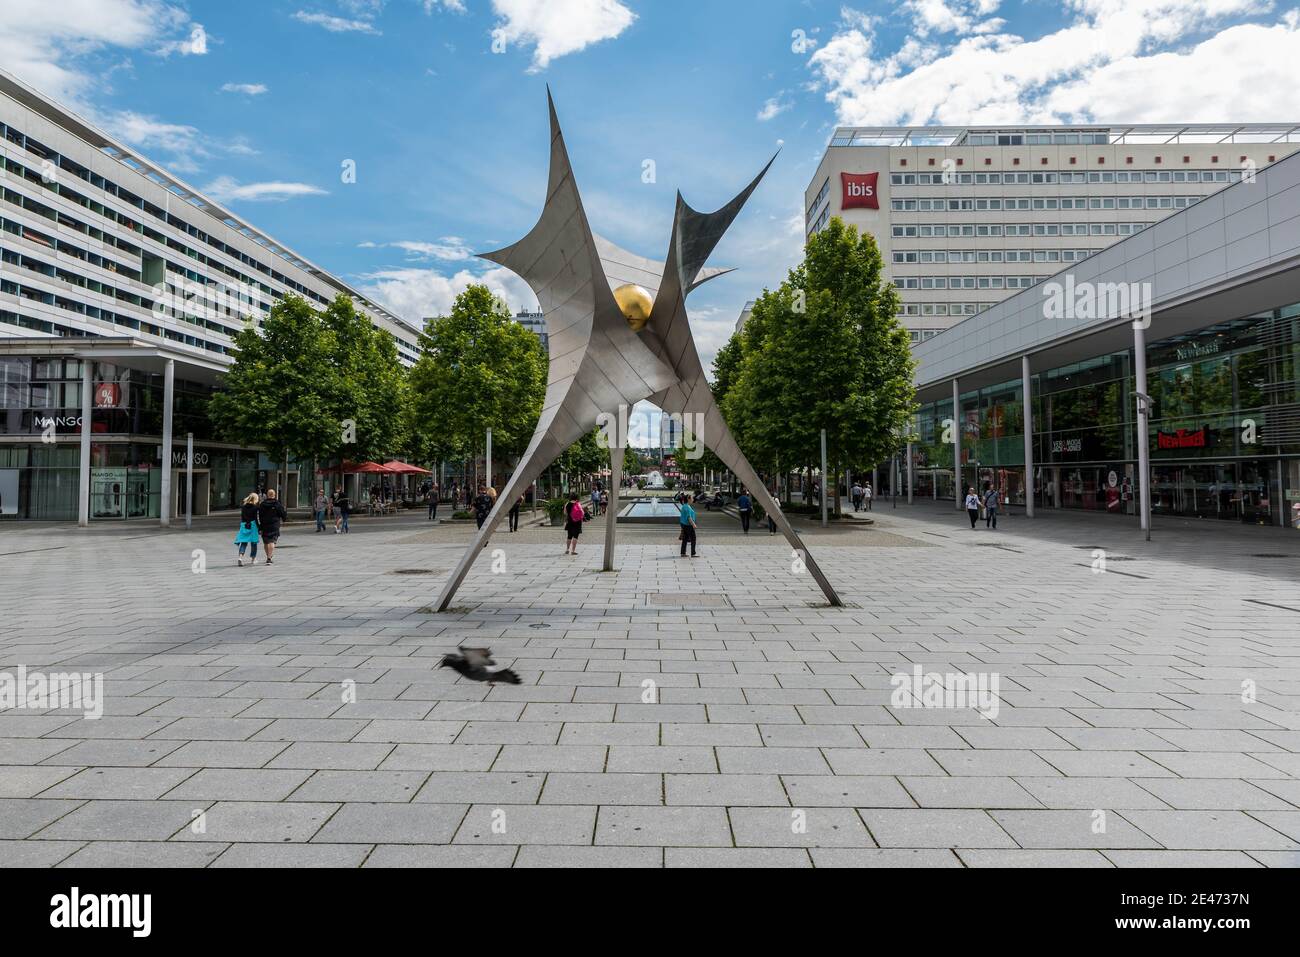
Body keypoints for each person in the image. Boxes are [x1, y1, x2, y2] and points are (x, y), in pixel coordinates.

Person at [258, 488, 288, 564]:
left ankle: (268, 556)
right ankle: (269, 558)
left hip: (264, 525)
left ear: (267, 495)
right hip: (274, 524)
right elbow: (282, 513)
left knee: (266, 542)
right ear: (274, 495)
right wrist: (284, 519)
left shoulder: (262, 504)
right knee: (272, 541)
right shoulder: (277, 504)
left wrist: (260, 526)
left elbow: (260, 516)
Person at [235, 492, 260, 566]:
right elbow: (256, 518)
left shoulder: (243, 507)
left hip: (244, 525)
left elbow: (242, 517)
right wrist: (259, 527)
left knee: (243, 542)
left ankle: (240, 557)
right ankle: (253, 559)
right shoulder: (255, 508)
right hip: (252, 525)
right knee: (254, 543)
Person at [679, 493, 698, 558]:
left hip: (685, 525)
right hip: (688, 525)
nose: (693, 499)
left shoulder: (685, 506)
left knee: (685, 538)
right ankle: (693, 553)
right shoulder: (686, 507)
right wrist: (693, 524)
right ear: (688, 499)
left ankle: (683, 553)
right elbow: (688, 517)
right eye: (692, 498)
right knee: (693, 538)